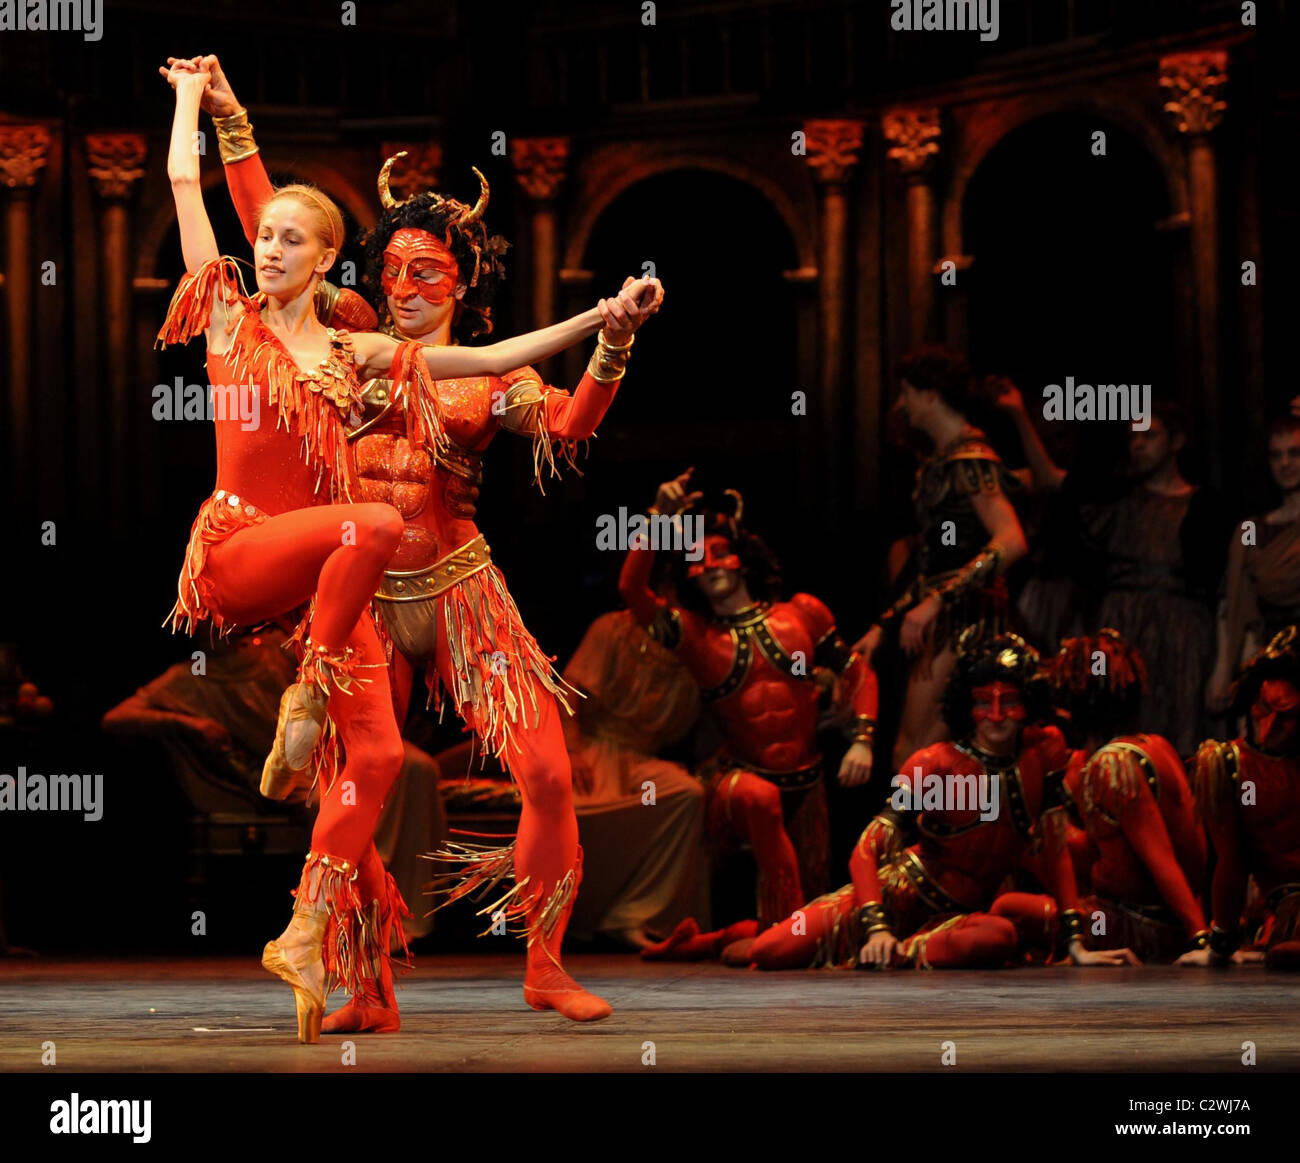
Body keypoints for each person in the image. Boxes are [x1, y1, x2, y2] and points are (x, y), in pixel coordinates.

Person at [157, 60, 658, 1038]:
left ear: (461, 282)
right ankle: (367, 980)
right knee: (361, 779)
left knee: (547, 771)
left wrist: (612, 334)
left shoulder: (462, 378)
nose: (405, 287)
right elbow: (272, 229)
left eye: (427, 274)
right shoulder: (340, 332)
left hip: (459, 578)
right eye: (391, 271)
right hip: (355, 582)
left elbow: (564, 424)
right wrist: (229, 118)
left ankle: (546, 963)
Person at [746, 634, 1136, 970]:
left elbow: (1054, 849)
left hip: (956, 923)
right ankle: (717, 940)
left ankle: (901, 954)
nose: (996, 715)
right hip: (894, 898)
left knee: (998, 936)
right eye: (984, 702)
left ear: (1029, 703)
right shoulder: (934, 764)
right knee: (769, 950)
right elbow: (865, 850)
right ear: (966, 706)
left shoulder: (1044, 752)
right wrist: (878, 926)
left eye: (1010, 702)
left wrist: (1076, 944)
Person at [621, 471, 878, 960]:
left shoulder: (802, 613)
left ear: (744, 559)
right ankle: (784, 940)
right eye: (697, 559)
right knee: (761, 800)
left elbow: (858, 671)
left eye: (719, 552)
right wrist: (654, 520)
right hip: (738, 781)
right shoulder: (695, 637)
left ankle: (704, 943)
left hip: (808, 783)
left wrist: (863, 738)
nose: (710, 565)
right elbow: (632, 589)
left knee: (816, 915)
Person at [853, 349, 1028, 771]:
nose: (900, 405)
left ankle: (911, 837)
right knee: (937, 756)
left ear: (931, 395)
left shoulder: (969, 459)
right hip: (949, 616)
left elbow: (1011, 540)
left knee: (913, 756)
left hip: (966, 620)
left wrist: (936, 603)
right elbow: (935, 564)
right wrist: (885, 623)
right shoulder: (941, 461)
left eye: (907, 393)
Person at [996, 630, 1207, 963]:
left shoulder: (1113, 765)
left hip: (1136, 927)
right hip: (1149, 919)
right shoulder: (1154, 745)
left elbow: (1161, 858)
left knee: (1009, 908)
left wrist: (1199, 940)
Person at [1180, 627, 1300, 970]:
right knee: (1285, 954)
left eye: (1288, 716)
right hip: (1285, 912)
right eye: (1264, 707)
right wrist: (1221, 945)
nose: (1270, 725)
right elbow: (1230, 862)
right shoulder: (1230, 766)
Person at [1208, 416, 1300, 713]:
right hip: (1266, 657)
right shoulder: (1252, 529)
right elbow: (1234, 599)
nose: (1285, 463)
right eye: (1276, 455)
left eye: (1295, 453)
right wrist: (1223, 670)